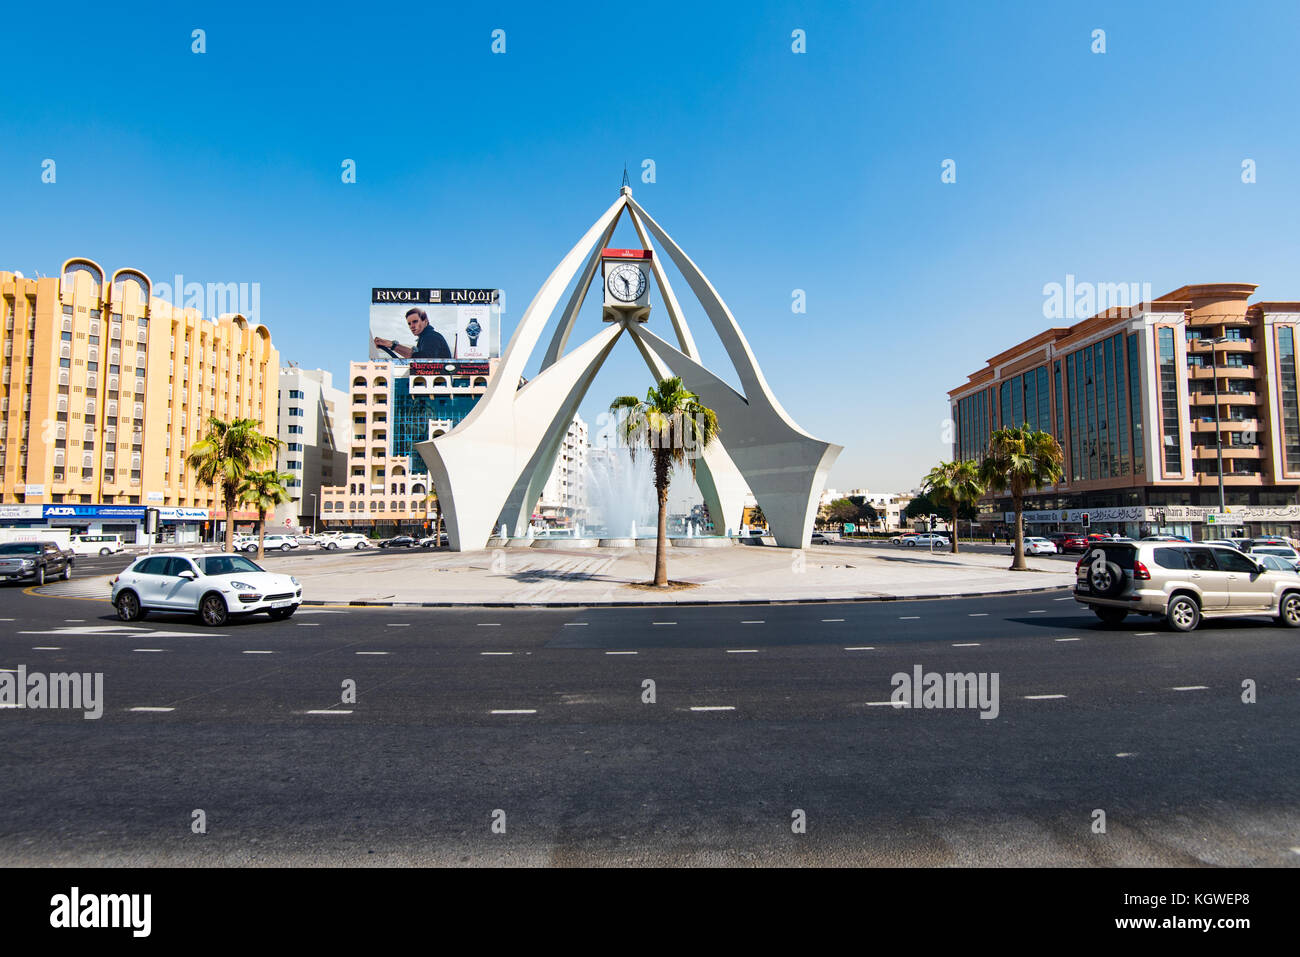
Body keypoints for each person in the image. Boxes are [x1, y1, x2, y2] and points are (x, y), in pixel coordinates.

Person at [373, 307, 451, 359]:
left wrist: (391, 345)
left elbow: (422, 359)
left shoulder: (431, 337)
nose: (412, 326)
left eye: (415, 322)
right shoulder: (424, 337)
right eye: (409, 323)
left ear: (425, 321)